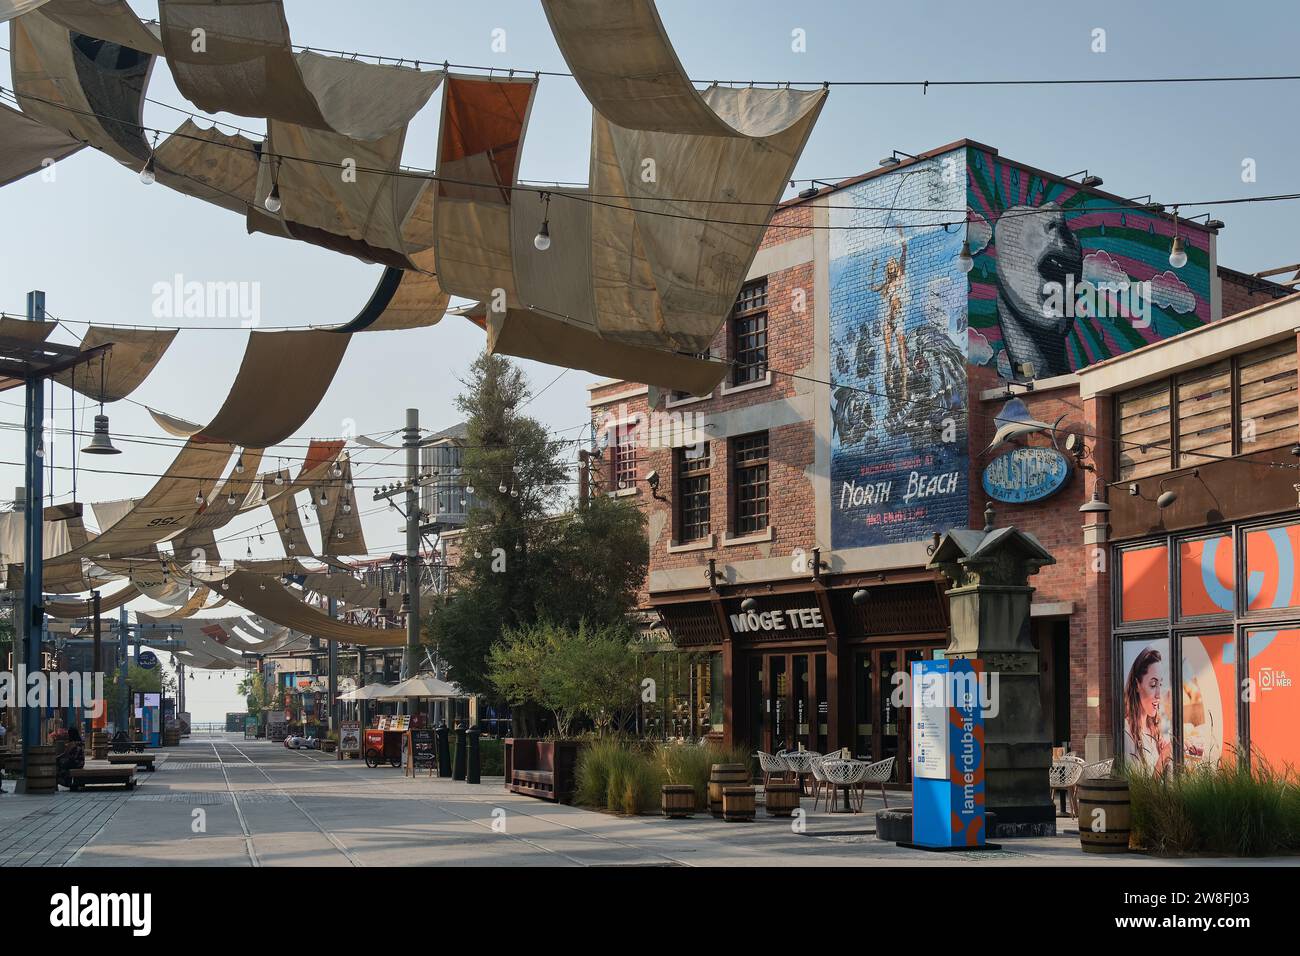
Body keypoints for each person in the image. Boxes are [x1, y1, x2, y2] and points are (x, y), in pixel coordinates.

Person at [1124, 647, 1172, 775]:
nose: (1158, 695)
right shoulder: (1126, 733)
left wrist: (1167, 756)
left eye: (1160, 685)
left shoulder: (1153, 729)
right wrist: (1162, 758)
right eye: (1152, 685)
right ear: (1137, 685)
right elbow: (1140, 792)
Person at [57, 725, 86, 790]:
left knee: (59, 764)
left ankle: (63, 781)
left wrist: (57, 758)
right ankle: (70, 781)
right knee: (63, 763)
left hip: (74, 763)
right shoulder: (80, 742)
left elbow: (65, 754)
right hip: (80, 763)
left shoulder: (72, 743)